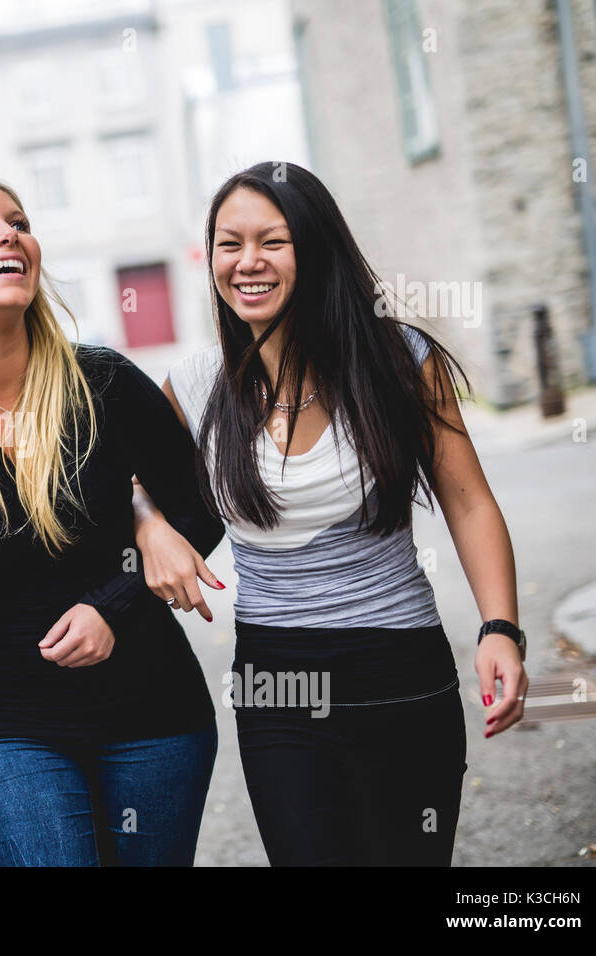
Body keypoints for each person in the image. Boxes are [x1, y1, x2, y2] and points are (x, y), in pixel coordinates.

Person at [133, 161, 529, 865]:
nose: (246, 262)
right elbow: (127, 483)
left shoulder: (399, 363)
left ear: (314, 250)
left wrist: (501, 628)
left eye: (271, 241)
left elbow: (469, 501)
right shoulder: (196, 384)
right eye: (229, 243)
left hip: (401, 672)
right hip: (276, 684)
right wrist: (149, 525)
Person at [0, 179, 226, 866]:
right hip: (11, 724)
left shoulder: (104, 383)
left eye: (19, 222)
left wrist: (115, 603)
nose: (9, 234)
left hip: (155, 711)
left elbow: (201, 506)